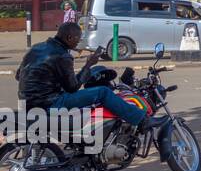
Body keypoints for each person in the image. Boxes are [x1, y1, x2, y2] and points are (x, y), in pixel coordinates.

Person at [18, 23, 146, 127]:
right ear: (69, 38)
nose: (78, 42)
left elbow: (19, 75)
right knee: (103, 92)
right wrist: (88, 64)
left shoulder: (36, 47)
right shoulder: (63, 56)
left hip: (26, 101)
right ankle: (141, 120)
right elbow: (72, 88)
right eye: (77, 38)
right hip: (49, 103)